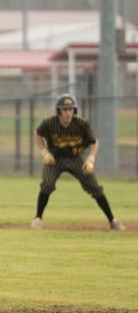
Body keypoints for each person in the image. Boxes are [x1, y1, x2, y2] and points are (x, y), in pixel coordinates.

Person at [30, 94, 125, 231]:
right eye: (65, 109)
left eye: (71, 109)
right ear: (59, 111)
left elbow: (94, 142)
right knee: (47, 184)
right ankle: (38, 218)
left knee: (94, 187)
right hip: (55, 159)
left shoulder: (81, 124)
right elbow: (38, 134)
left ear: (75, 110)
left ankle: (112, 220)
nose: (68, 112)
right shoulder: (49, 123)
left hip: (75, 158)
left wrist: (91, 158)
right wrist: (44, 152)